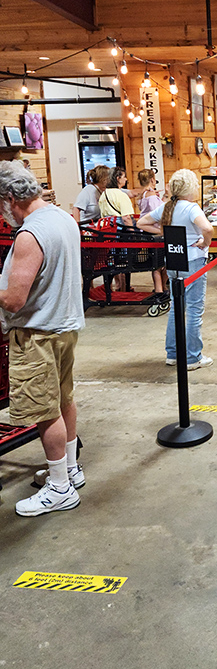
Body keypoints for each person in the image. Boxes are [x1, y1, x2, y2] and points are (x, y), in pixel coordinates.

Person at [0, 161, 85, 516]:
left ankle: (59, 488)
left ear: (9, 198)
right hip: (64, 327)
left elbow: (14, 298)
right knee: (63, 399)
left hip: (37, 334)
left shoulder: (30, 234)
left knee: (44, 411)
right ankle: (69, 470)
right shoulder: (63, 218)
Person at [137, 169, 214, 370]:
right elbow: (207, 228)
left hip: (174, 260)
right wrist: (205, 243)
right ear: (189, 188)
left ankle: (172, 353)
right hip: (194, 262)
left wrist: (164, 232)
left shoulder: (167, 207)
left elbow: (141, 222)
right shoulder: (191, 208)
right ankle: (192, 356)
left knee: (176, 307)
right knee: (195, 309)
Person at [137, 169, 167, 300]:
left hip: (147, 232)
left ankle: (160, 288)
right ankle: (160, 290)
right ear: (152, 180)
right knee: (160, 263)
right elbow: (158, 213)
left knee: (156, 263)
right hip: (156, 232)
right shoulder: (152, 197)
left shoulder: (142, 196)